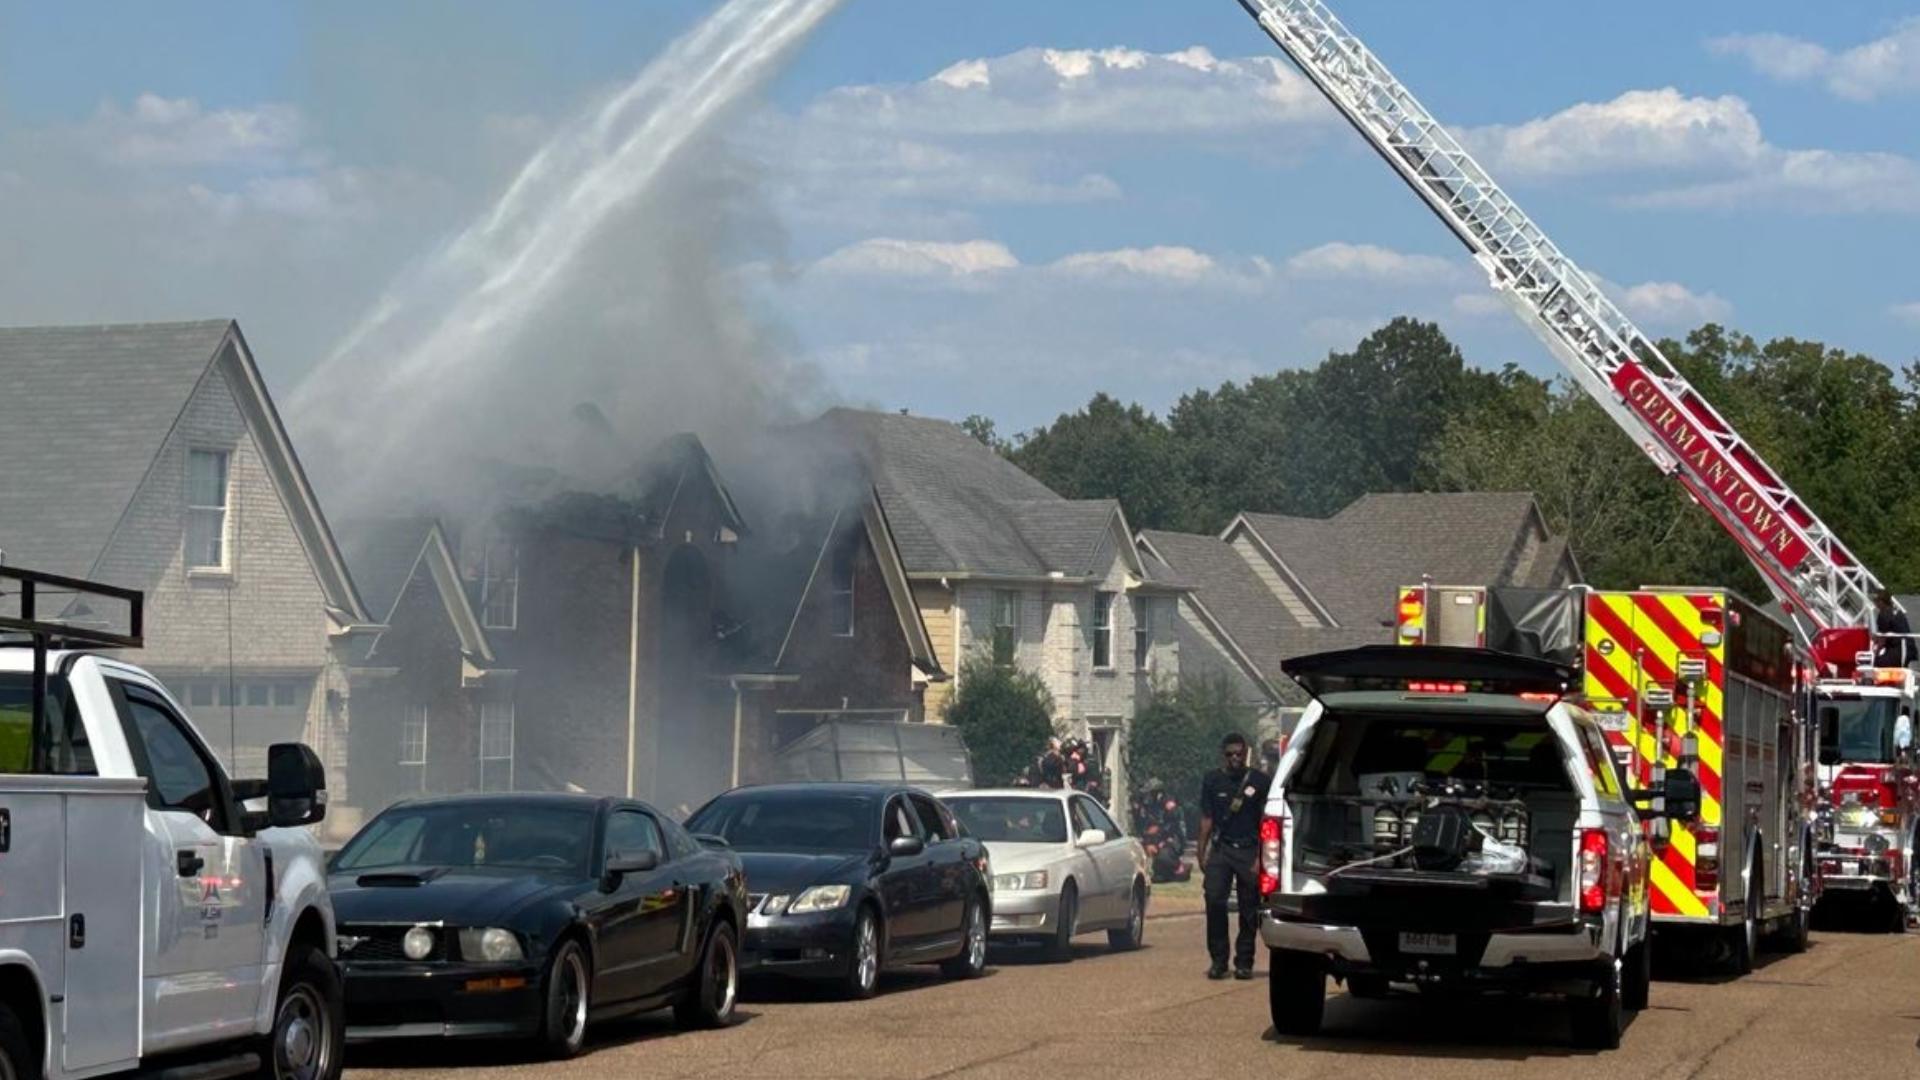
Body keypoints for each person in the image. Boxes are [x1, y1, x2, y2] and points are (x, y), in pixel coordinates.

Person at [1196, 731, 1272, 980]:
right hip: (1221, 848)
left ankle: (1244, 962)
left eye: (1239, 754)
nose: (1235, 759)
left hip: (1249, 849)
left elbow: (1266, 822)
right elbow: (1207, 819)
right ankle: (1219, 960)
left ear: (1246, 752)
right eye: (1230, 754)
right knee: (1214, 900)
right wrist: (1201, 851)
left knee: (1249, 908)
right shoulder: (1212, 780)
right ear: (1223, 755)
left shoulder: (1260, 781)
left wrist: (1260, 858)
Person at [1873, 589, 1915, 669]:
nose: (1875, 604)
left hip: (1899, 650)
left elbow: (1882, 639)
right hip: (1909, 648)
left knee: (1875, 663)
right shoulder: (1897, 611)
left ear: (1881, 601)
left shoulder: (1884, 614)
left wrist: (1875, 651)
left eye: (1876, 601)